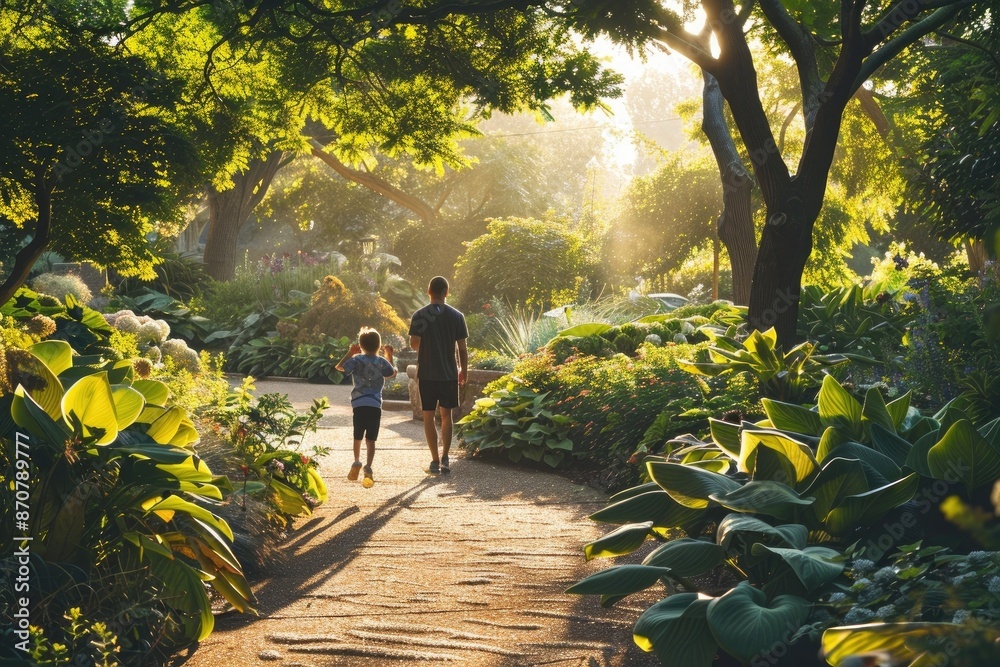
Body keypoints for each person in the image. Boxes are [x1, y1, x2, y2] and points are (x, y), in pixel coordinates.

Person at [409, 276, 468, 474]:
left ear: (428, 291)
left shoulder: (419, 315)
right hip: (449, 374)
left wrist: (428, 347)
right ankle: (445, 458)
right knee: (446, 415)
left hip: (426, 373)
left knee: (428, 416)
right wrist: (463, 372)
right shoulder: (457, 316)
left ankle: (434, 460)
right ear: (446, 293)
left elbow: (414, 344)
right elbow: (462, 349)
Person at [335, 327, 397, 487]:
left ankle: (356, 461)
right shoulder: (381, 361)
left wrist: (350, 352)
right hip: (375, 404)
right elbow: (391, 373)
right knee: (371, 439)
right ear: (379, 345)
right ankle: (368, 466)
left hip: (359, 403)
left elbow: (340, 367)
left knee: (358, 436)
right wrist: (389, 355)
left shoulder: (356, 360)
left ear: (361, 345)